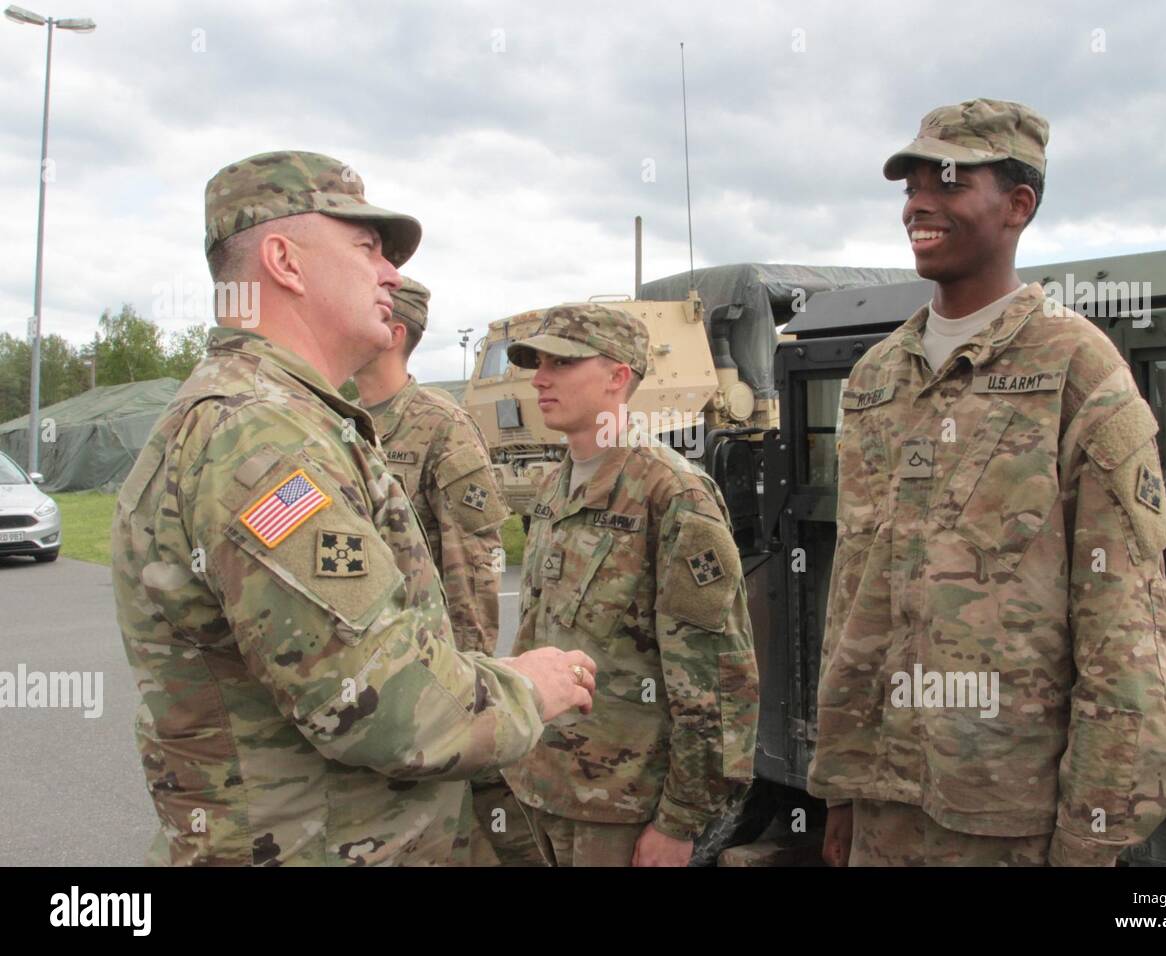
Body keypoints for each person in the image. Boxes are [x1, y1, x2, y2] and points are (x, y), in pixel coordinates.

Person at [111, 150, 596, 866]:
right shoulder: (259, 434)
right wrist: (528, 687)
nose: (391, 275)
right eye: (366, 247)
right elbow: (383, 706)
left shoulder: (288, 417)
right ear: (284, 260)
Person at [810, 99, 1166, 866]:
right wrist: (841, 785)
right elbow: (853, 593)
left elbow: (1126, 627)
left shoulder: (1077, 372)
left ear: (1017, 205)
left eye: (948, 183)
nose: (919, 203)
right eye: (910, 186)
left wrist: (1093, 831)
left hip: (1008, 816)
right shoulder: (875, 378)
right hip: (884, 797)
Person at [500, 303, 760, 866]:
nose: (540, 377)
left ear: (619, 376)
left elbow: (715, 677)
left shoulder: (671, 495)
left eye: (562, 363)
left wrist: (681, 821)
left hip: (624, 806)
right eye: (536, 362)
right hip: (543, 785)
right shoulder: (552, 487)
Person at [352, 275, 541, 865]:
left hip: (432, 673)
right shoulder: (344, 420)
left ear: (393, 332)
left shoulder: (441, 426)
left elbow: (473, 572)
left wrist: (465, 691)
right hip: (371, 666)